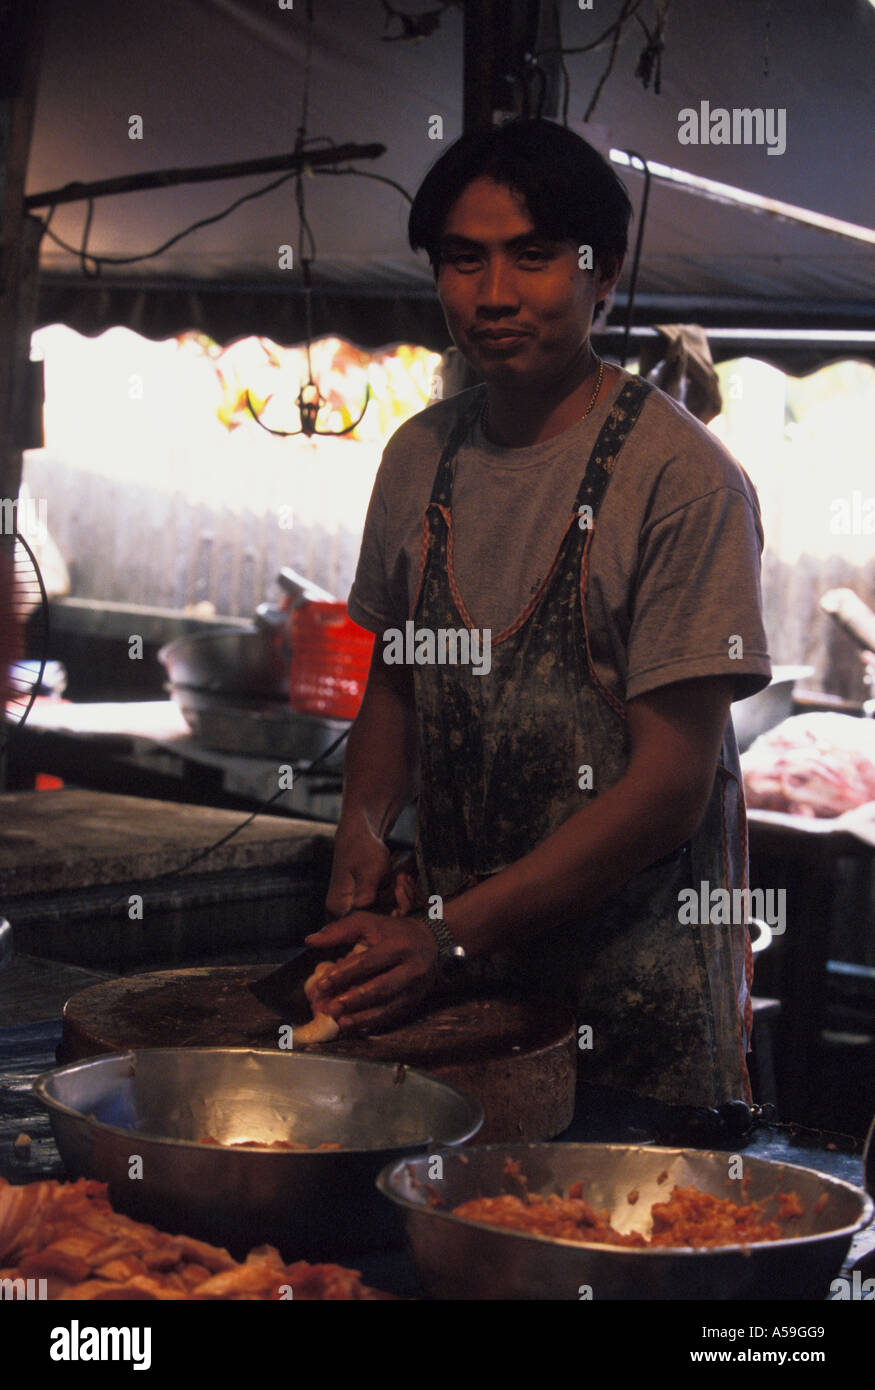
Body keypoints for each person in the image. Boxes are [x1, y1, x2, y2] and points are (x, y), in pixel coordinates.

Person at [304, 119, 772, 1109]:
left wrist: (444, 930)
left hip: (634, 1014)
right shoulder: (416, 455)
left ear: (602, 277)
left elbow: (666, 790)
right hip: (465, 1007)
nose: (495, 293)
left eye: (534, 256)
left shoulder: (679, 480)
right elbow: (396, 680)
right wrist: (362, 826)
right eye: (463, 260)